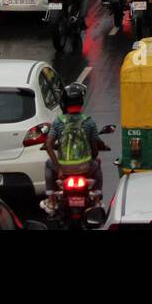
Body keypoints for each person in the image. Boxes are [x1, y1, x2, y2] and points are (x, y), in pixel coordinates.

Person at [43, 83, 107, 212]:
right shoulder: (89, 122)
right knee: (97, 163)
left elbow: (48, 145)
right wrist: (92, 159)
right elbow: (95, 151)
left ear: (64, 102)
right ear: (81, 101)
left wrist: (60, 169)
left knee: (48, 164)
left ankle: (51, 200)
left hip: (64, 169)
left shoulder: (58, 122)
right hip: (85, 168)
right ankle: (96, 200)